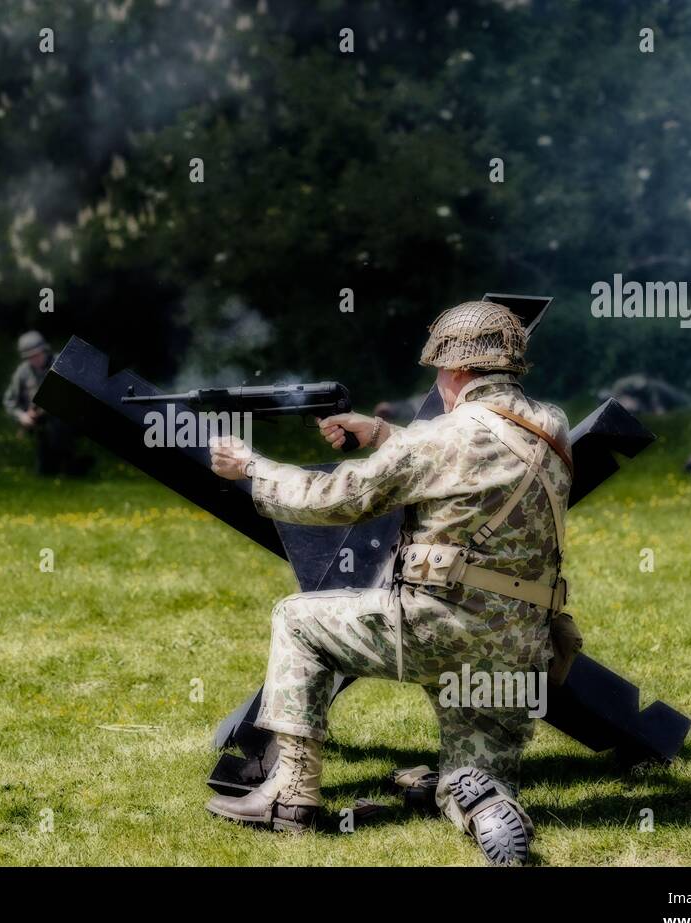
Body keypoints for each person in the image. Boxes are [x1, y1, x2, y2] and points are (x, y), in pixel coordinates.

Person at [205, 301, 571, 865]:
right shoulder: (549, 429)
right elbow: (472, 453)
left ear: (454, 371)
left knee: (297, 619)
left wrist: (251, 467)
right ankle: (486, 806)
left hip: (438, 630)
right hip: (520, 650)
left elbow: (335, 499)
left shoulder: (437, 441)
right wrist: (380, 432)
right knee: (470, 775)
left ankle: (290, 797)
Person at [2, 330, 90, 476]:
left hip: (66, 418)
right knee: (44, 471)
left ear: (45, 350)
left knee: (62, 439)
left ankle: (72, 463)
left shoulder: (62, 363)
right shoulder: (23, 372)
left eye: (37, 354)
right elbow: (9, 400)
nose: (35, 359)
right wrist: (22, 416)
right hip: (40, 422)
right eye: (30, 357)